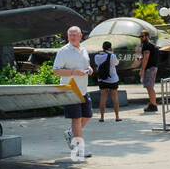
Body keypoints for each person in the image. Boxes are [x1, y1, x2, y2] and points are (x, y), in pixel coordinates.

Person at [52, 25, 94, 156]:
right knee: (76, 119)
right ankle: (79, 148)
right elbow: (56, 70)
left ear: (81, 36)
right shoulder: (63, 51)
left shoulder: (84, 50)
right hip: (70, 90)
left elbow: (85, 64)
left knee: (87, 116)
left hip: (83, 89)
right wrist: (73, 72)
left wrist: (89, 68)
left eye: (75, 34)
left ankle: (71, 133)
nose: (72, 37)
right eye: (70, 34)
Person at [91, 41, 122, 122]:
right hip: (113, 79)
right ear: (110, 48)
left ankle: (102, 117)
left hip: (102, 79)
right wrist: (112, 53)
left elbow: (97, 63)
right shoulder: (112, 55)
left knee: (103, 98)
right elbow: (117, 63)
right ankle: (117, 117)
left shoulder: (97, 56)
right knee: (114, 97)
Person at [136, 29, 160, 112]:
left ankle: (153, 105)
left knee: (149, 87)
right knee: (150, 87)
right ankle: (152, 104)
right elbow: (148, 56)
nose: (141, 38)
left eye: (142, 36)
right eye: (140, 36)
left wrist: (142, 70)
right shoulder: (152, 44)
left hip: (149, 68)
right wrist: (141, 58)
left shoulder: (146, 45)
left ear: (147, 36)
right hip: (153, 67)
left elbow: (146, 59)